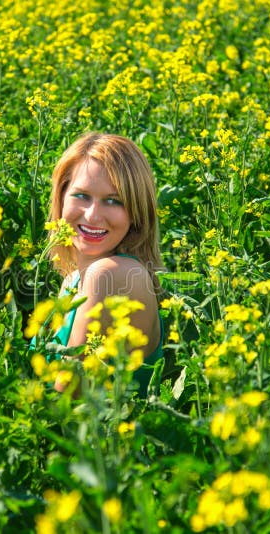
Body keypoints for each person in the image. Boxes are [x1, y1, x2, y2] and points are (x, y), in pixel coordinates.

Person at [37, 132, 165, 395]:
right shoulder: (73, 280)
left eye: (113, 201)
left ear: (136, 212)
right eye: (82, 196)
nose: (93, 215)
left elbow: (64, 400)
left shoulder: (106, 275)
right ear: (61, 197)